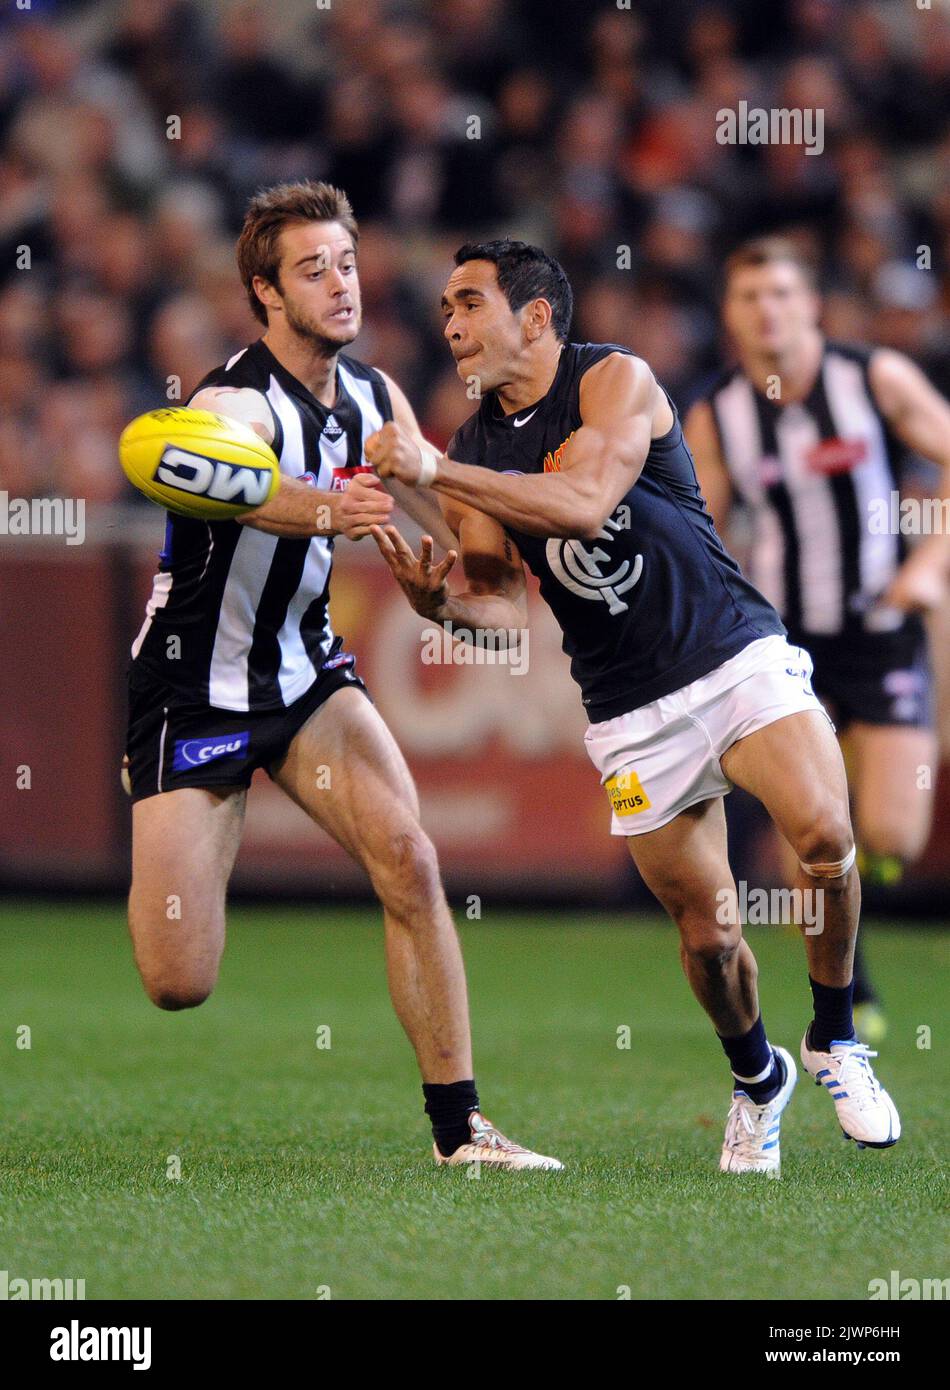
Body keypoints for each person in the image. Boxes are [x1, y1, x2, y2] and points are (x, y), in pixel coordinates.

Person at [366, 238, 901, 1177]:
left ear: (534, 316)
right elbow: (497, 602)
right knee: (710, 934)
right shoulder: (477, 443)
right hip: (627, 705)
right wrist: (439, 599)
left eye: (468, 303)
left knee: (823, 834)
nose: (448, 323)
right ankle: (758, 1078)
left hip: (732, 650)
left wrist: (430, 475)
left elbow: (579, 503)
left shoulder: (614, 380)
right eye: (446, 308)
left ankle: (836, 1037)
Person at [125, 185, 561, 1172]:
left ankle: (461, 1130)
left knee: (410, 857)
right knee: (176, 978)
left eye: (347, 264)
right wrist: (339, 513)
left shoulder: (374, 400)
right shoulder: (229, 402)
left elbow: (473, 550)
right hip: (194, 688)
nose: (339, 284)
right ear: (264, 294)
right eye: (311, 269)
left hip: (306, 674)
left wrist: (447, 595)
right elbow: (251, 497)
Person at [684, 237, 950, 1043]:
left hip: (879, 628)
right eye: (748, 297)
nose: (766, 311)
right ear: (730, 316)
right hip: (781, 643)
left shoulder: (874, 380)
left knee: (896, 837)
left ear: (813, 306)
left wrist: (930, 564)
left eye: (781, 294)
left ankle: (851, 921)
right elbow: (705, 533)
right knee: (812, 820)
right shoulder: (716, 412)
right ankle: (846, 989)